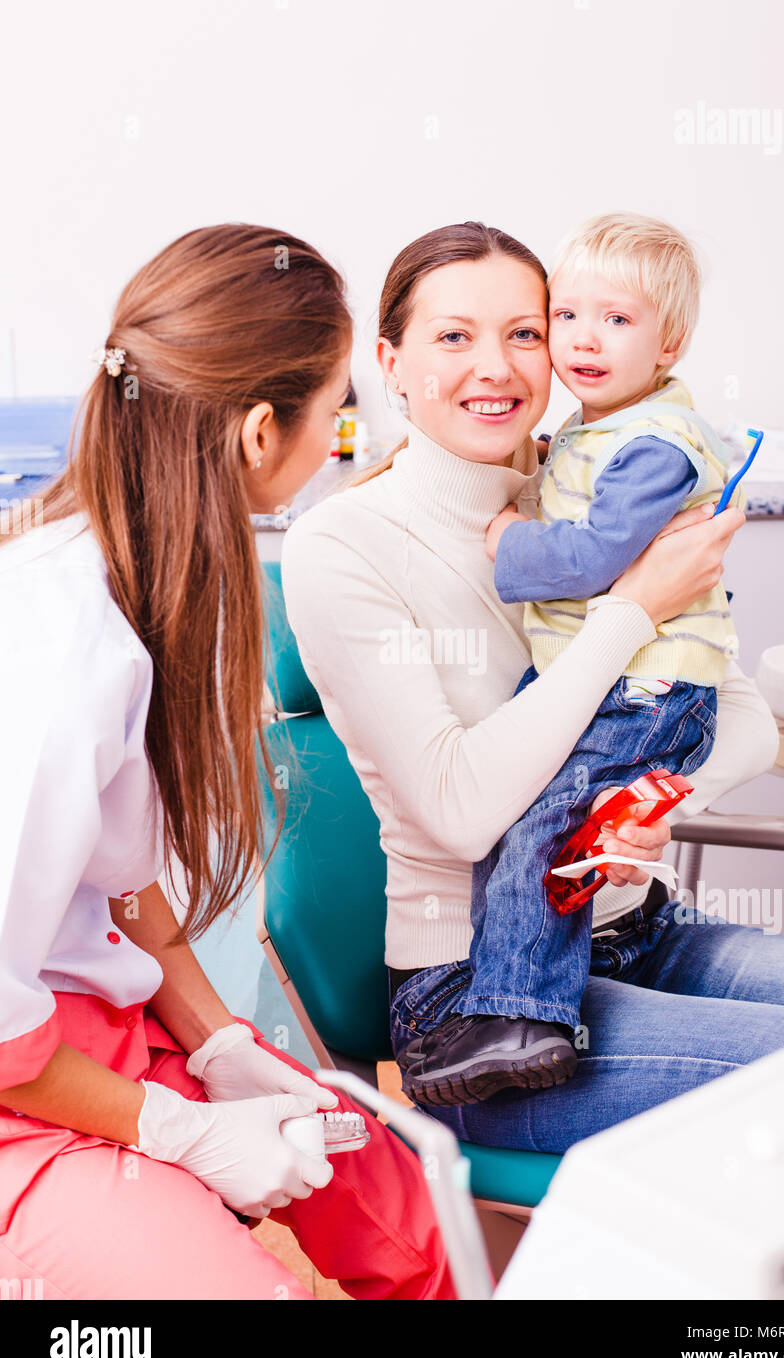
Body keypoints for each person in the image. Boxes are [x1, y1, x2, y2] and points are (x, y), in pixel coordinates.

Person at [281, 220, 784, 1155]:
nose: (498, 367)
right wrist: (630, 609)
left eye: (524, 332)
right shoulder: (343, 545)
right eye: (453, 337)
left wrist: (645, 804)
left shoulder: (593, 492)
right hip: (476, 1003)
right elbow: (463, 812)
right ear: (389, 362)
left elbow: (743, 721)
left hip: (641, 932)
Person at [0, 224, 455, 1301]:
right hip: (18, 1077)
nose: (351, 432)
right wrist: (181, 1131)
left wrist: (216, 1040)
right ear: (260, 433)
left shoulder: (160, 587)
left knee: (406, 1216)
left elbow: (124, 878)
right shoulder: (60, 651)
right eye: (341, 406)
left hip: (96, 1027)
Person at [403, 212, 747, 1107]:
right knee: (541, 820)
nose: (580, 340)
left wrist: (514, 541)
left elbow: (593, 557)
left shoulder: (651, 446)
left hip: (652, 689)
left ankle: (523, 1013)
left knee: (550, 819)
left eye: (617, 320)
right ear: (390, 361)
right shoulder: (591, 441)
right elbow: (463, 807)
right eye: (566, 317)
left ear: (669, 343)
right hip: (629, 688)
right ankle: (515, 1006)